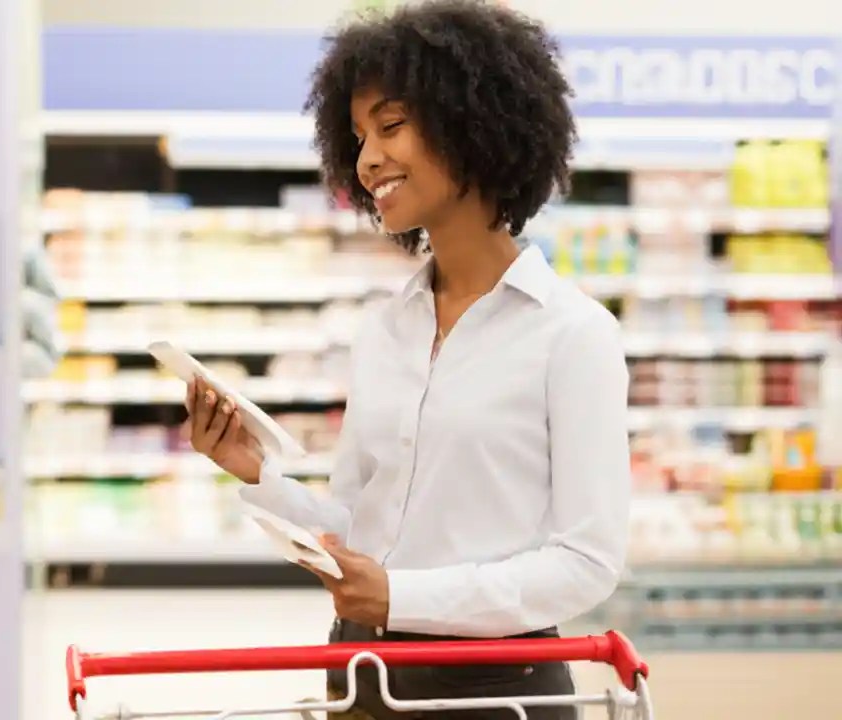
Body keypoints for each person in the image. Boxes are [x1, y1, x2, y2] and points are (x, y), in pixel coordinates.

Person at [182, 2, 631, 718]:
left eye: (391, 127)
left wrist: (404, 597)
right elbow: (361, 529)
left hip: (495, 692)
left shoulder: (573, 335)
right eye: (358, 137)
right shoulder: (386, 329)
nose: (367, 161)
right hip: (362, 670)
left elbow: (587, 563)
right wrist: (256, 471)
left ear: (474, 123)